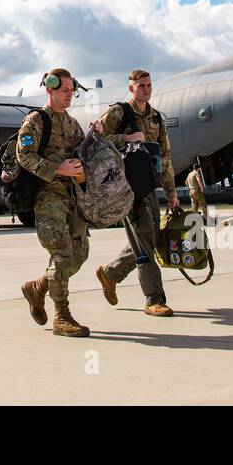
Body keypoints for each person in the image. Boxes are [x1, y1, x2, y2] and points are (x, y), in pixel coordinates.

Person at [91, 69, 179, 317]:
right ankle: (154, 298)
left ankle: (111, 273)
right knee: (143, 238)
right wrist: (127, 138)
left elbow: (165, 155)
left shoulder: (156, 118)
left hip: (148, 184)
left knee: (152, 237)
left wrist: (171, 191)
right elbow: (96, 139)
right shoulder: (118, 112)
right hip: (124, 187)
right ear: (131, 88)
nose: (146, 89)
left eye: (149, 85)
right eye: (140, 85)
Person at [16, 69, 91, 338]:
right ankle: (62, 315)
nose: (69, 95)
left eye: (72, 91)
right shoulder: (35, 121)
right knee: (62, 254)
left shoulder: (73, 125)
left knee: (80, 254)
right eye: (64, 91)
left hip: (73, 198)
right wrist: (57, 169)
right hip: (49, 198)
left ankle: (37, 287)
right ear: (50, 89)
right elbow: (24, 155)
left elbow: (83, 156)